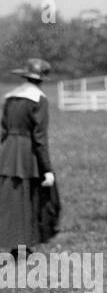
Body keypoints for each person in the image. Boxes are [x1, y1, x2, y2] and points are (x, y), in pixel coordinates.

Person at [1, 59, 59, 255]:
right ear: (41, 80)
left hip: (8, 152)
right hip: (27, 154)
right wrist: (48, 169)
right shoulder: (39, 100)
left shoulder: (10, 97)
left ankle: (14, 245)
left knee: (11, 199)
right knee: (27, 199)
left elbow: (3, 129)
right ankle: (23, 247)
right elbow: (40, 138)